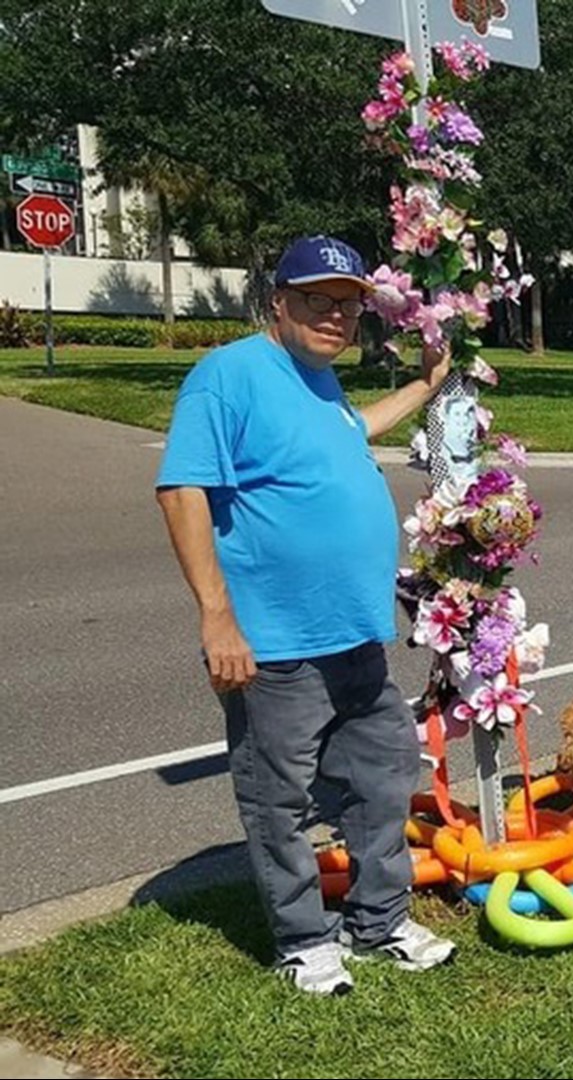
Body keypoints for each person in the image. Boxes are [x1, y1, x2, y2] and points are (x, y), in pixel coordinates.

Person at [155, 236, 456, 995]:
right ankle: (303, 940)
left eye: (347, 303)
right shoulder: (228, 377)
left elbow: (355, 434)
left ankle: (379, 922)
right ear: (278, 301)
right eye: (316, 300)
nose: (333, 315)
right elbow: (183, 490)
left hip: (355, 635)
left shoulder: (321, 385)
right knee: (278, 798)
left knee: (382, 778)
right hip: (275, 642)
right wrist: (217, 618)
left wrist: (425, 387)